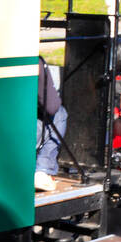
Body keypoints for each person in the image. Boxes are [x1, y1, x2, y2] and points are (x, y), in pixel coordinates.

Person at [36, 58, 67, 193]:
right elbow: (52, 107)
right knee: (60, 113)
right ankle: (43, 170)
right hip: (17, 136)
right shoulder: (36, 63)